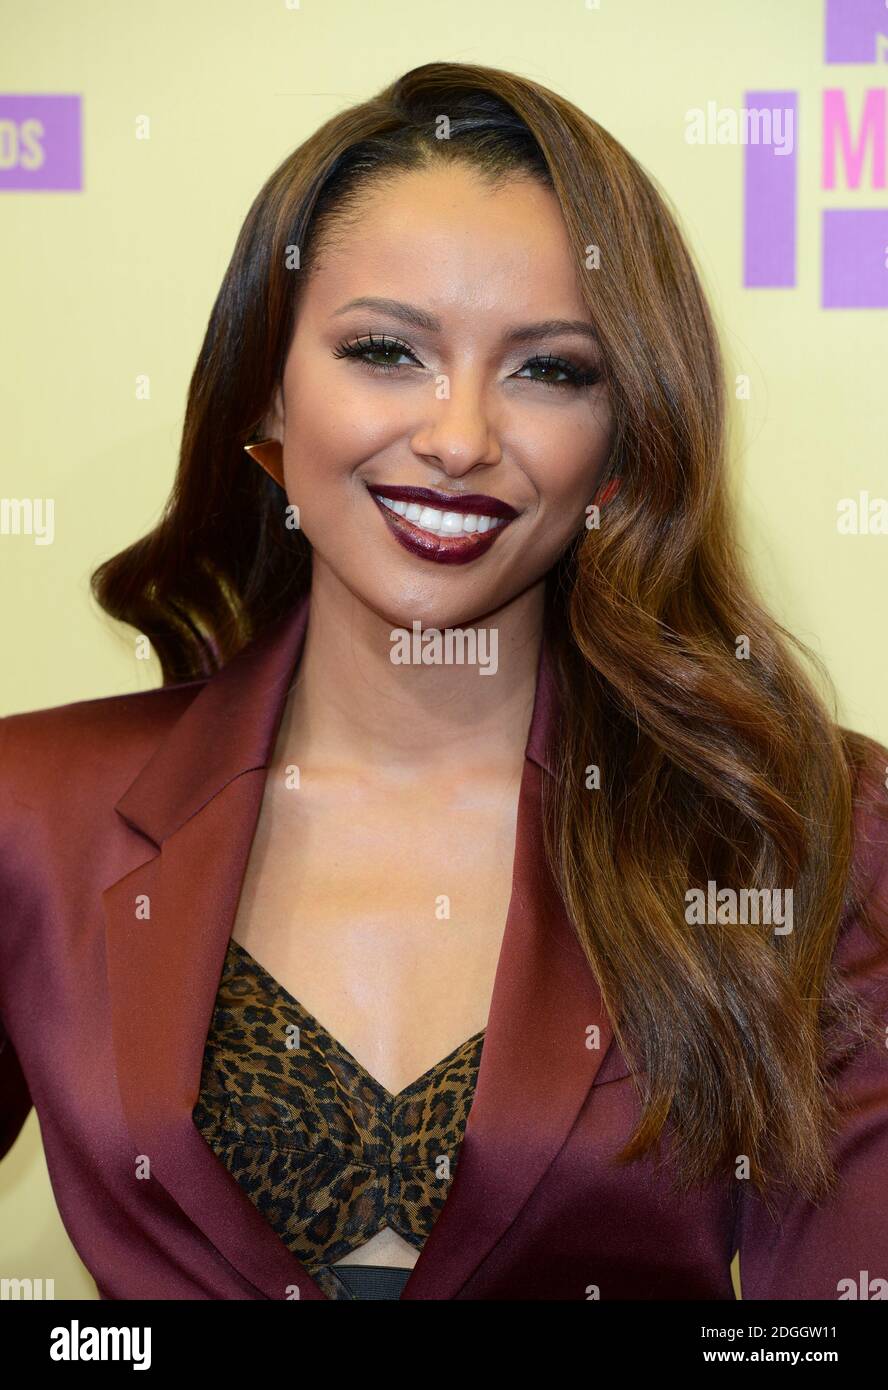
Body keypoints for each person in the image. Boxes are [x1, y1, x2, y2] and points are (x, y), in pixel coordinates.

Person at [1, 61, 887, 1301]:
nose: (460, 435)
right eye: (384, 350)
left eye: (551, 370)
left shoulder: (809, 824)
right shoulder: (31, 813)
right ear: (269, 381)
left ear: (625, 439)